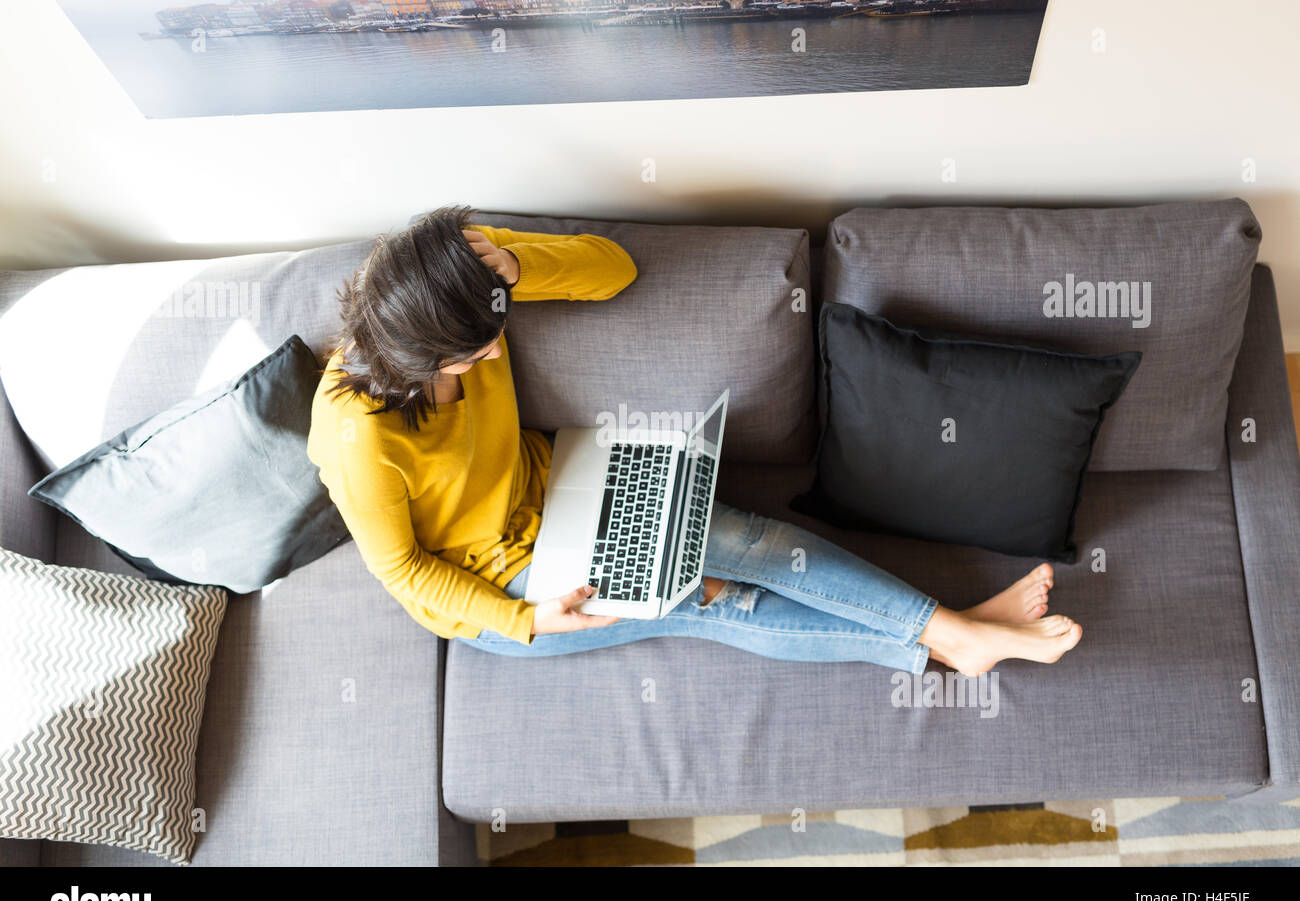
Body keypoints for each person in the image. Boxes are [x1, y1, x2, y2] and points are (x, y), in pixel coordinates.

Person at [306, 205, 1082, 678]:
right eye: (476, 356)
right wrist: (527, 620)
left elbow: (611, 270)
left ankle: (957, 632)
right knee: (720, 601)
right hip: (509, 587)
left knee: (756, 539)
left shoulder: (455, 277)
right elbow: (406, 573)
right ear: (424, 360)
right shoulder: (356, 437)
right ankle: (953, 639)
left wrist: (512, 264)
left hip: (563, 488)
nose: (497, 353)